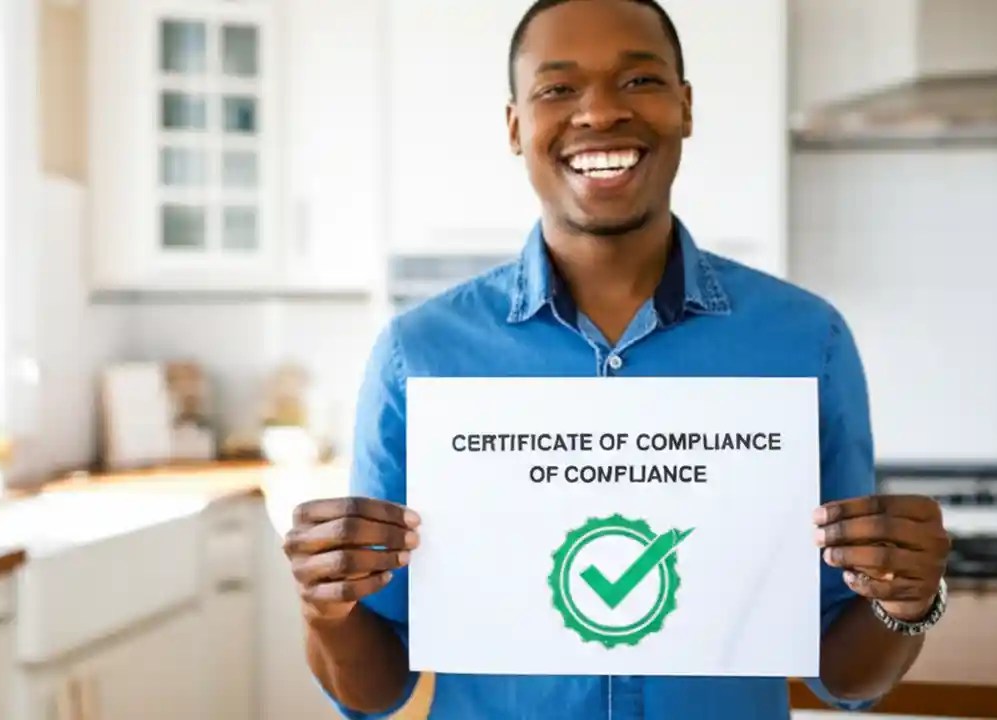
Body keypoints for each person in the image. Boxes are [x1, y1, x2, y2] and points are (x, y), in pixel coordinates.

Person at [282, 1, 952, 717]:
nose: (599, 112)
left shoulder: (807, 341)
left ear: (685, 107)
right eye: (557, 89)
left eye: (639, 81)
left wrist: (905, 601)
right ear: (515, 126)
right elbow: (377, 691)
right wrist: (330, 609)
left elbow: (844, 676)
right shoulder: (418, 355)